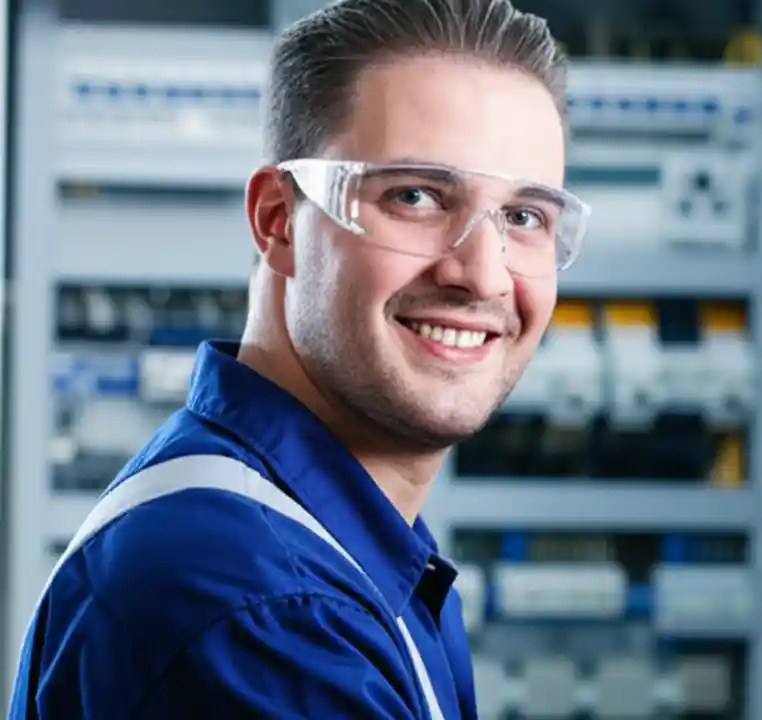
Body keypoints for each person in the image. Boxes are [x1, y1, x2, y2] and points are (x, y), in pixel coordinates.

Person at [8, 0, 587, 717]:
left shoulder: (334, 549)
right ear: (278, 221)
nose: (485, 274)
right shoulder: (262, 606)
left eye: (525, 218)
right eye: (415, 196)